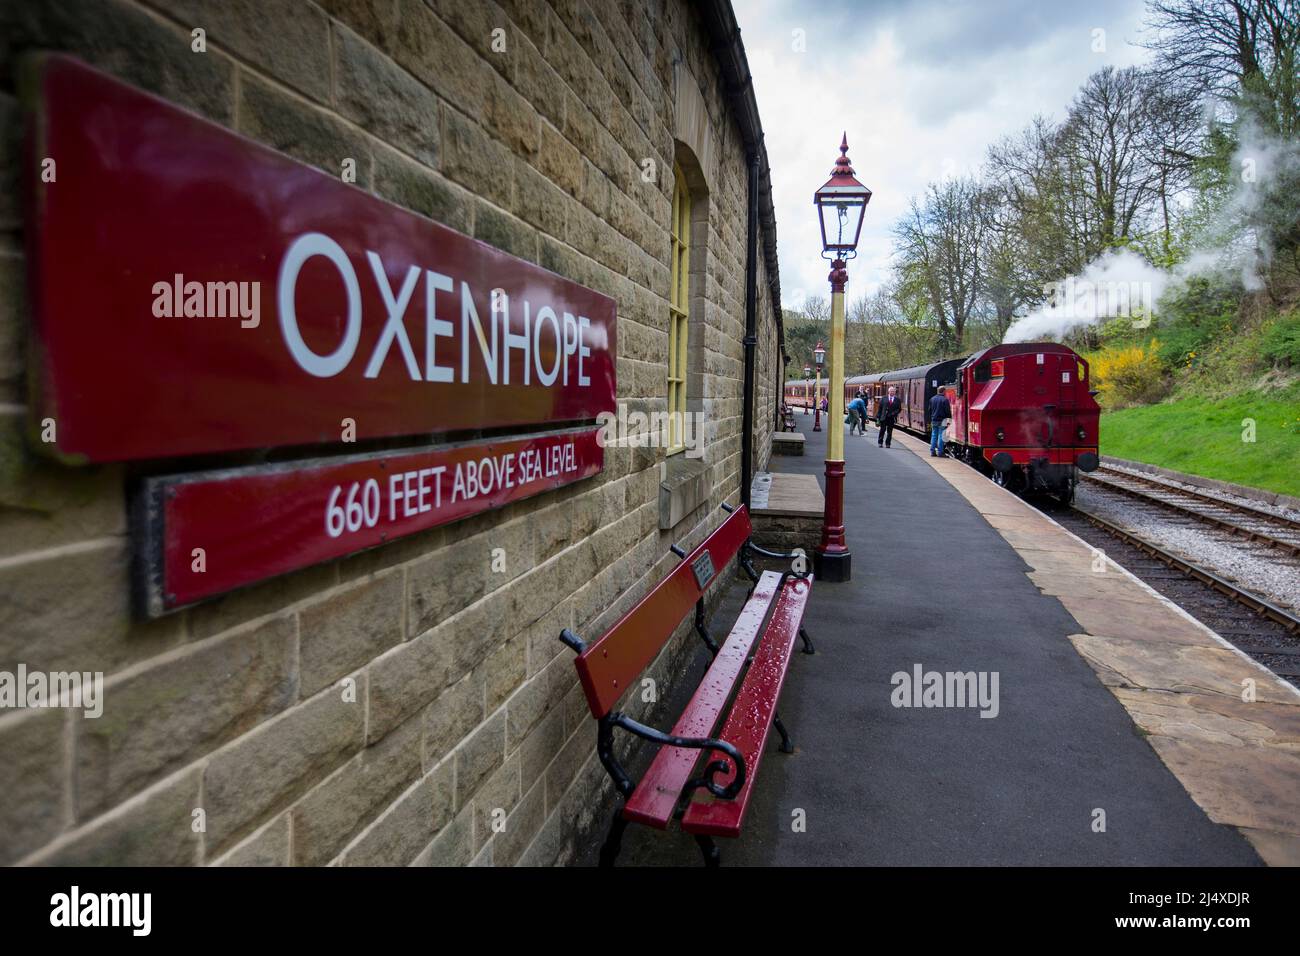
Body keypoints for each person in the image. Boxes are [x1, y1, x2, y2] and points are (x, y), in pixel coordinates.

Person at [928, 386, 953, 457]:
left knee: (934, 435)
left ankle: (932, 451)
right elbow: (947, 411)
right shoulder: (945, 400)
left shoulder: (932, 399)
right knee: (941, 436)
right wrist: (949, 419)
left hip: (934, 420)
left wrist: (932, 417)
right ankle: (940, 452)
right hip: (942, 421)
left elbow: (929, 410)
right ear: (944, 391)